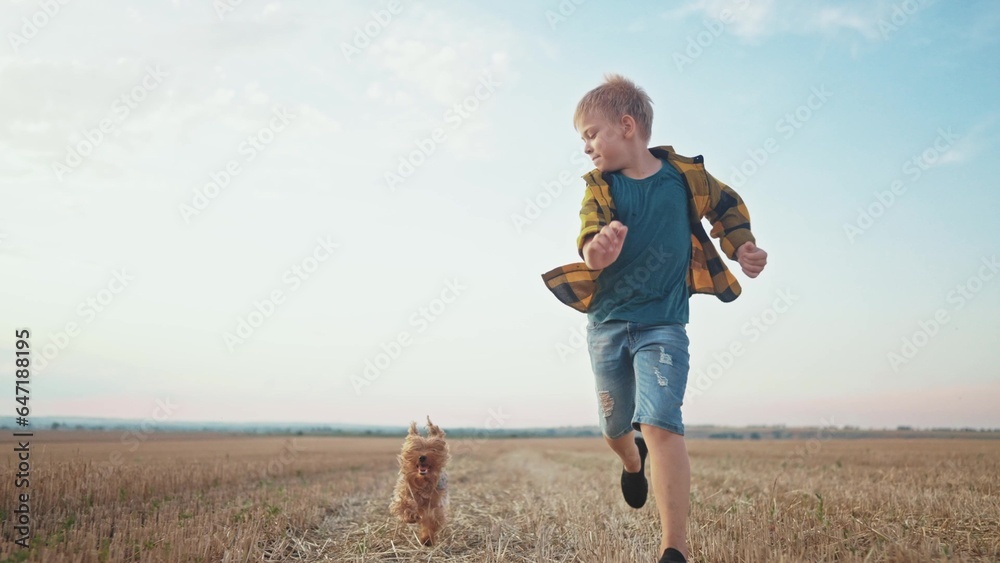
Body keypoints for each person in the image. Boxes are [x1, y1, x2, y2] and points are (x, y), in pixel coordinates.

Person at [541, 74, 768, 563]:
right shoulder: (600, 189)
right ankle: (630, 460)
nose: (585, 148)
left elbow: (726, 208)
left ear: (626, 126)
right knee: (615, 427)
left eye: (590, 134)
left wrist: (742, 246)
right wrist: (595, 250)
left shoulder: (683, 177)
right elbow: (588, 235)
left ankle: (675, 548)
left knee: (662, 423)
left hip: (664, 325)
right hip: (606, 324)